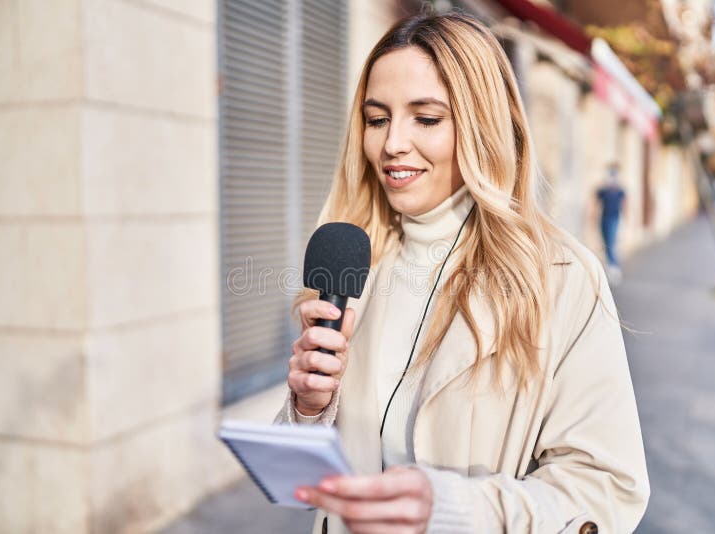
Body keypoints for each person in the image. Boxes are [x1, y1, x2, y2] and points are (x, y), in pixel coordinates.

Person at [275, 13, 649, 533]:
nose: (392, 144)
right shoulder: (357, 263)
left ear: (482, 126)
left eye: (426, 119)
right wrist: (309, 408)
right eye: (377, 118)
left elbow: (606, 490)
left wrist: (453, 511)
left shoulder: (561, 276)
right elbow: (302, 486)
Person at [596, 163, 626, 285]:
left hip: (614, 219)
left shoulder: (620, 191)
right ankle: (610, 266)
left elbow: (625, 205)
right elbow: (596, 204)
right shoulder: (603, 191)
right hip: (604, 219)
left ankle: (614, 268)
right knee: (605, 243)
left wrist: (627, 220)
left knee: (611, 243)